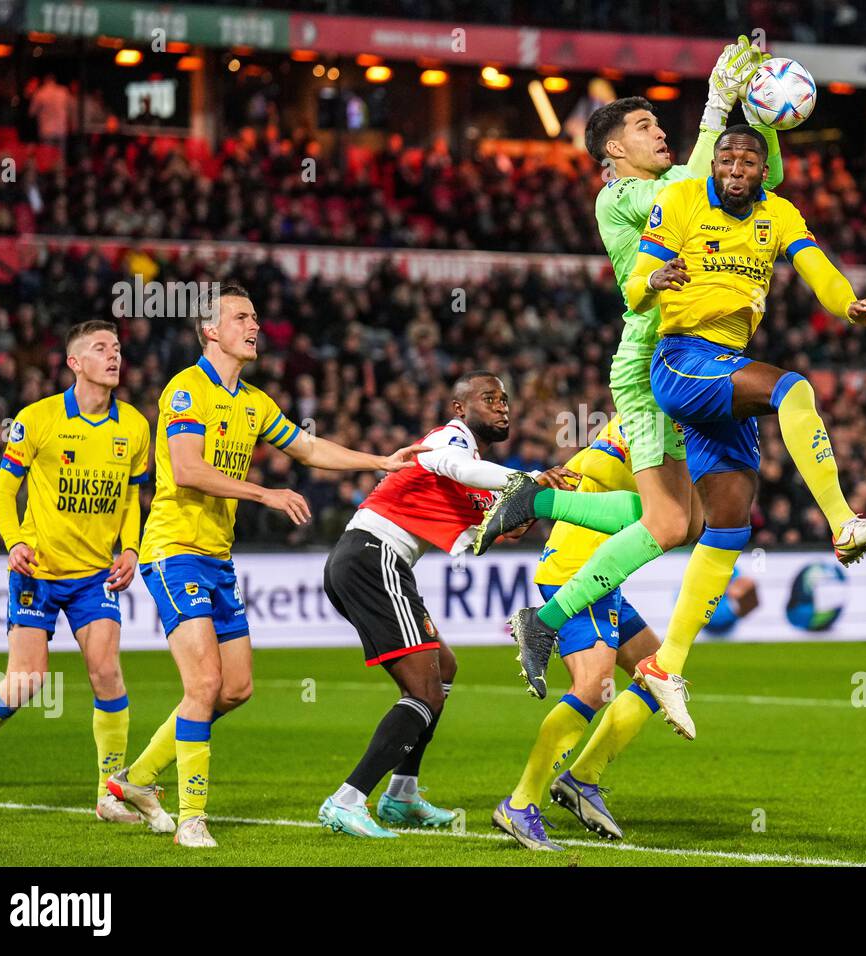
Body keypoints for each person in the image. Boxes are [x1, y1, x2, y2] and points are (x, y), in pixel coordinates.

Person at [475, 37, 785, 696]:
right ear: (615, 150)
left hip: (686, 357)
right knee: (674, 524)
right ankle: (546, 617)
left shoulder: (674, 187)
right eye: (644, 127)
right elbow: (694, 189)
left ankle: (539, 500)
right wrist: (716, 107)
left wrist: (758, 121)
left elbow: (754, 182)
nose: (658, 132)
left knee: (688, 520)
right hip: (651, 364)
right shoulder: (617, 197)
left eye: (658, 123)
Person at [106, 283, 423, 847]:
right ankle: (193, 818)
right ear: (211, 330)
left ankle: (132, 782)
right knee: (203, 682)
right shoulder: (186, 390)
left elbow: (307, 448)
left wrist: (380, 460)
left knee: (236, 689)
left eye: (255, 317)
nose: (254, 326)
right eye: (241, 317)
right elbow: (185, 470)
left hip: (217, 559)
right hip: (173, 550)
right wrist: (264, 494)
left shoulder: (251, 401)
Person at [626, 125, 866, 738]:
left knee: (728, 523)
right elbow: (634, 285)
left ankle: (666, 664)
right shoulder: (684, 200)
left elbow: (813, 264)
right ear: (715, 164)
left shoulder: (778, 213)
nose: (735, 167)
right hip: (682, 358)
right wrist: (654, 282)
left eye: (748, 159)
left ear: (764, 169)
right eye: (727, 158)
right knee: (792, 389)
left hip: (722, 369)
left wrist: (847, 300)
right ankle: (843, 522)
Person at [318, 372, 570, 838]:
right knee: (425, 693)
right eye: (489, 398)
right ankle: (347, 800)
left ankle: (402, 795)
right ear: (460, 409)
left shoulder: (473, 472)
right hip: (373, 556)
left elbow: (472, 536)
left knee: (444, 669)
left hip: (377, 561)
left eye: (505, 400)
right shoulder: (449, 439)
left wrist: (504, 523)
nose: (502, 407)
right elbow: (460, 469)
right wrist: (529, 479)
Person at [0, 321, 149, 826]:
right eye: (100, 349)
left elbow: (132, 495)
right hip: (38, 570)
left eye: (116, 347)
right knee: (26, 682)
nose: (113, 356)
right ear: (74, 363)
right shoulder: (37, 419)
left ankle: (109, 793)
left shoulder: (133, 425)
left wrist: (130, 547)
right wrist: (15, 540)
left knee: (107, 673)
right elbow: (3, 492)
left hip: (94, 576)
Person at [493, 415, 664, 850]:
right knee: (593, 687)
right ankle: (521, 802)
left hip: (600, 569)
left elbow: (583, 469)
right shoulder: (655, 424)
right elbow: (655, 508)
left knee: (658, 672)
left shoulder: (639, 418)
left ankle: (582, 778)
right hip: (580, 571)